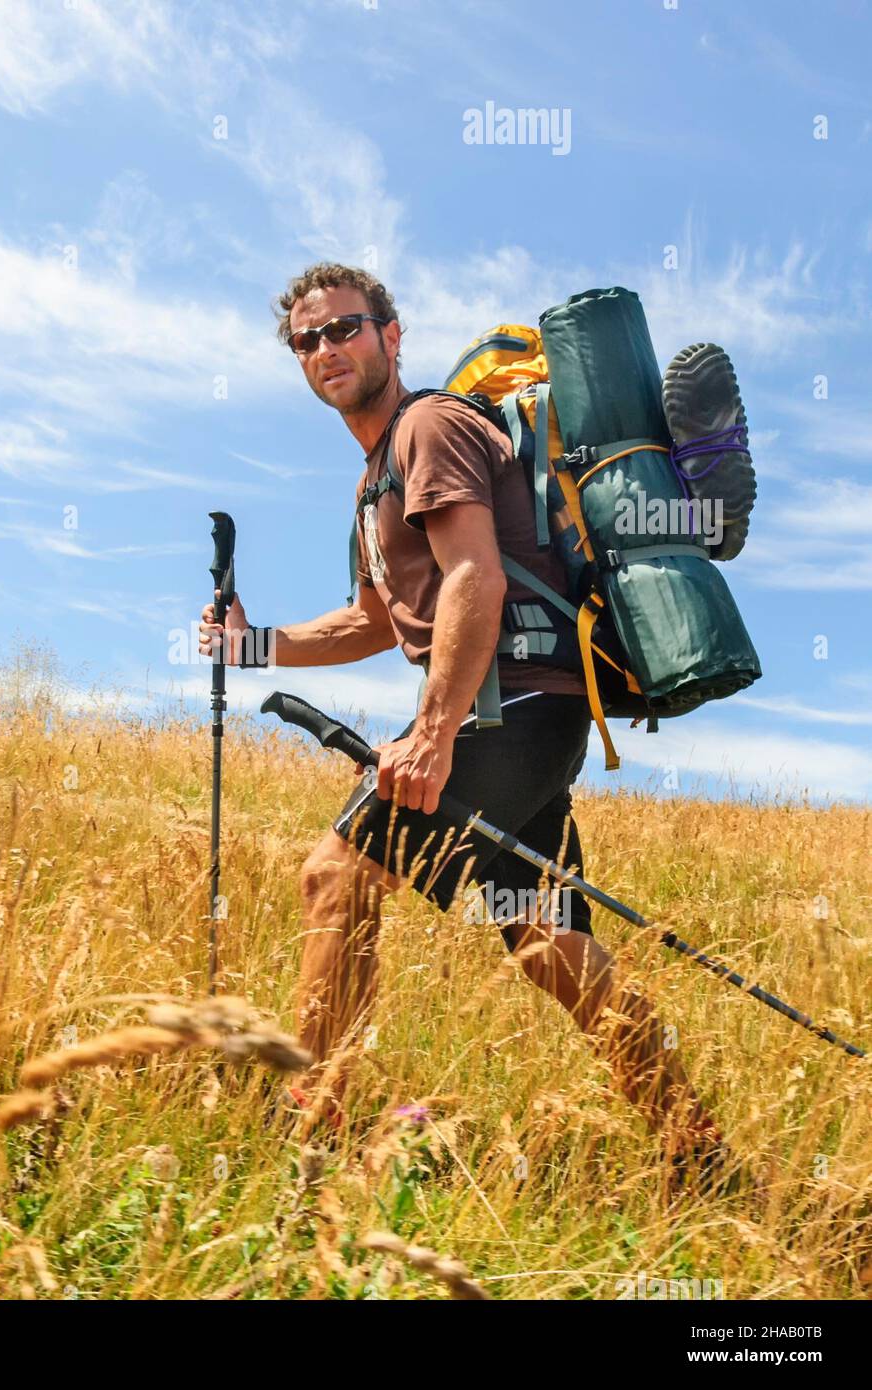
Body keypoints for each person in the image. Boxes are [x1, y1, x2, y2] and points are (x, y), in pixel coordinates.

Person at [199, 262, 727, 1191]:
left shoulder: (428, 427)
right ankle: (699, 1149)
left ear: (391, 337)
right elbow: (373, 620)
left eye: (346, 329)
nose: (327, 349)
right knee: (547, 942)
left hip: (506, 704)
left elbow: (473, 578)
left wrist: (435, 731)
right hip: (530, 709)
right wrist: (253, 649)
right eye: (307, 340)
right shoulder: (373, 481)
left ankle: (305, 1142)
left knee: (334, 876)